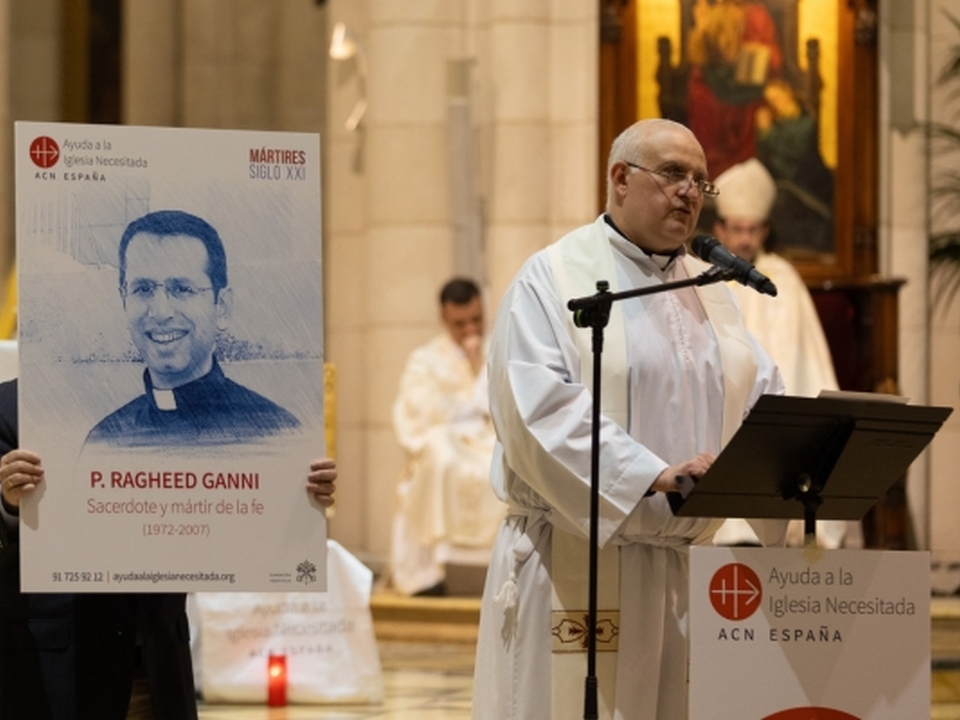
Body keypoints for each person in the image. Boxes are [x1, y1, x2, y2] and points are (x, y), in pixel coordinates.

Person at [471, 119, 786, 719]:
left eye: (700, 181)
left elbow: (759, 396)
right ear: (620, 178)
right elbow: (535, 408)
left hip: (682, 573)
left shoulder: (711, 290)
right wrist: (653, 474)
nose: (690, 192)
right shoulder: (552, 278)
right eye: (673, 174)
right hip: (577, 558)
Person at [0, 378, 337, 719]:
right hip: (58, 666)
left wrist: (297, 497)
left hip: (157, 661)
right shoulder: (8, 405)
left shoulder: (174, 392)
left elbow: (225, 494)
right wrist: (9, 504)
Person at [709, 157, 847, 549]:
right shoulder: (703, 279)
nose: (745, 239)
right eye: (737, 229)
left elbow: (805, 361)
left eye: (753, 229)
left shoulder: (782, 279)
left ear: (765, 230)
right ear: (720, 230)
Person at [86, 209, 301, 449]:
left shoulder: (276, 436)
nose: (160, 312)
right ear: (124, 301)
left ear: (221, 307)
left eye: (182, 289)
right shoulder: (104, 442)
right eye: (143, 289)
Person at [389, 278, 504, 596]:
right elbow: (421, 412)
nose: (471, 330)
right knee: (440, 456)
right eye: (460, 323)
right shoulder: (425, 360)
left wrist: (479, 364)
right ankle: (428, 579)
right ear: (443, 319)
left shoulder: (500, 350)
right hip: (449, 438)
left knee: (510, 463)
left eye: (477, 320)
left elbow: (510, 404)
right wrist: (466, 408)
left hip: (492, 439)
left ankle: (506, 574)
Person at [687, 0, 783, 178]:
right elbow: (702, 53)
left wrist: (758, 52)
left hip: (746, 80)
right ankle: (712, 170)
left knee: (753, 106)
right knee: (704, 100)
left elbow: (773, 59)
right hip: (714, 77)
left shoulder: (757, 14)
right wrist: (703, 28)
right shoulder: (711, 11)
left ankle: (744, 167)